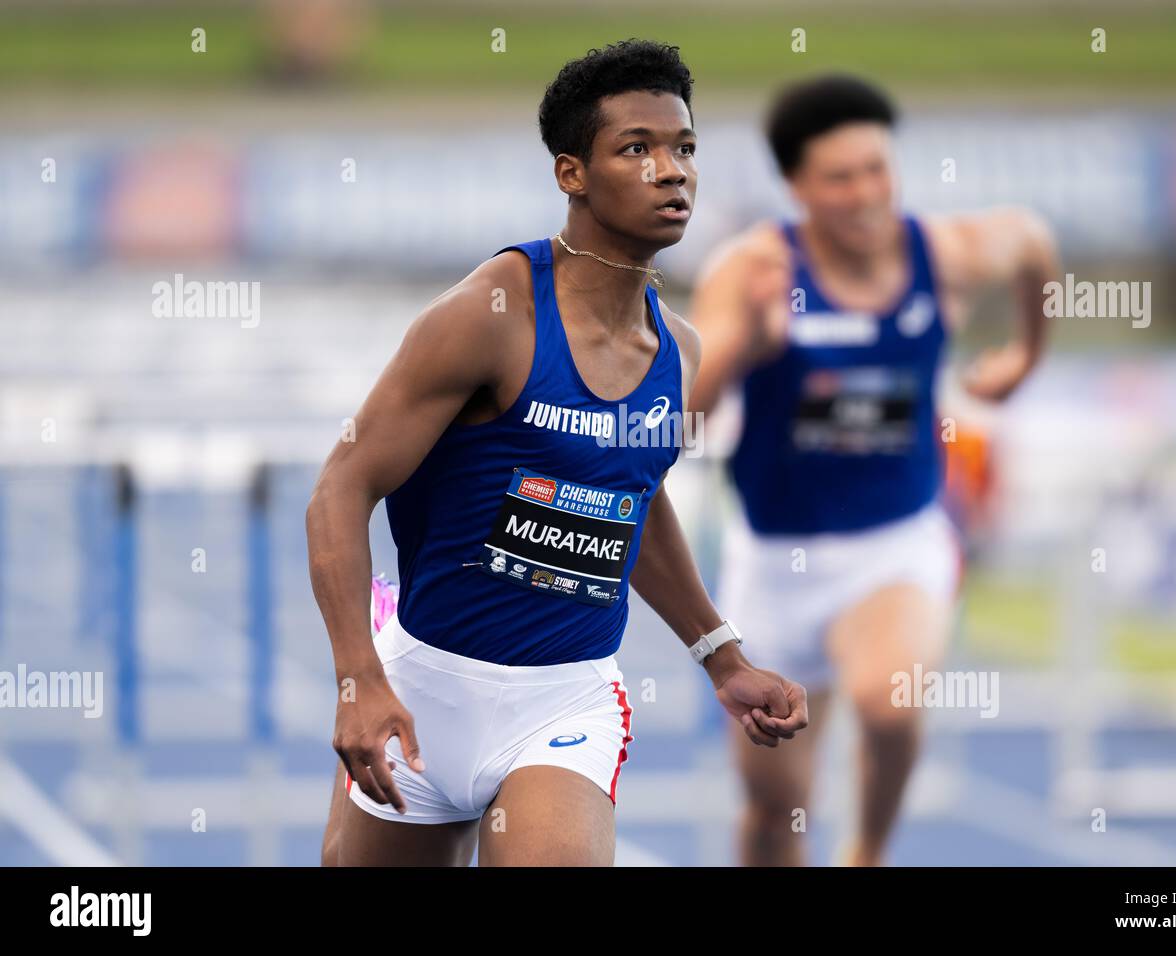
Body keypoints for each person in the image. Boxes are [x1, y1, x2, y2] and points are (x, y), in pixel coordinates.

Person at [308, 39, 808, 867]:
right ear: (571, 173)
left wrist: (723, 658)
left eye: (684, 149)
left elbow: (631, 502)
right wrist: (358, 679)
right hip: (425, 687)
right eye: (637, 149)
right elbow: (341, 485)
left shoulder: (678, 352)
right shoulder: (488, 317)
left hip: (561, 703)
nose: (672, 171)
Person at [687, 74, 1059, 866]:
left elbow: (1031, 240)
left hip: (895, 544)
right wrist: (738, 353)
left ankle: (868, 852)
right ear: (795, 187)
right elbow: (691, 412)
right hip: (774, 565)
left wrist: (1024, 356)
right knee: (773, 814)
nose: (864, 195)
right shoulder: (751, 273)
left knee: (888, 706)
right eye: (839, 178)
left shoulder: (946, 254)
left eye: (876, 170)